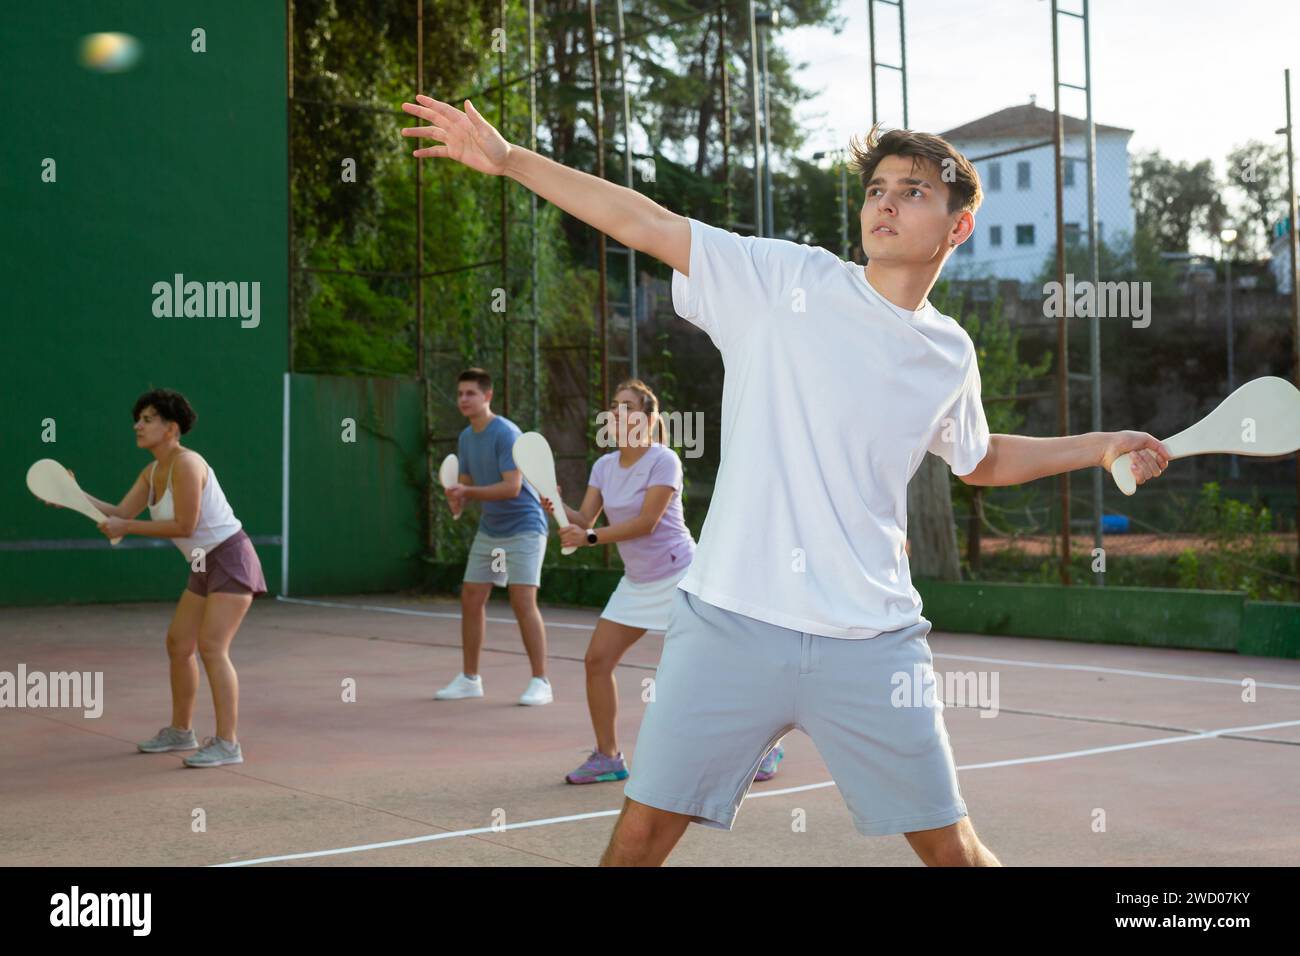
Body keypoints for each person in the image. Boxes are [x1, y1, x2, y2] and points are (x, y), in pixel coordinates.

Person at [400, 97, 1170, 866]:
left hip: (871, 641)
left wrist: (1101, 446)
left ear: (958, 225)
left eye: (913, 191)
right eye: (876, 190)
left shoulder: (948, 352)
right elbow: (645, 222)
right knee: (637, 839)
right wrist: (509, 161)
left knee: (955, 852)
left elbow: (979, 459)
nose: (887, 203)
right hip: (728, 623)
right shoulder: (782, 279)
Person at [543, 379, 787, 785]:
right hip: (637, 582)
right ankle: (608, 758)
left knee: (718, 667)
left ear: (648, 418)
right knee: (597, 661)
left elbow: (646, 522)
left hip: (680, 576)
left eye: (627, 406)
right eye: (614, 406)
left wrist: (587, 538)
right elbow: (584, 521)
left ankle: (769, 746)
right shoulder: (604, 466)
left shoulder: (664, 461)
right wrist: (554, 502)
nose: (617, 413)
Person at [78, 388, 266, 767]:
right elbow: (118, 511)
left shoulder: (188, 464)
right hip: (200, 562)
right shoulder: (152, 471)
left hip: (230, 556)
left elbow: (185, 524)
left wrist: (126, 526)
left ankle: (228, 743)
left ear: (172, 428)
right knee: (179, 644)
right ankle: (181, 731)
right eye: (138, 419)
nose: (138, 426)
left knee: (212, 647)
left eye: (148, 419)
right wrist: (72, 493)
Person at [435, 368, 553, 706]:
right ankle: (470, 679)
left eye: (470, 393)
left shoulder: (506, 433)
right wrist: (459, 495)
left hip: (526, 526)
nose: (463, 400)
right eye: (460, 394)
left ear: (488, 396)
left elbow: (512, 487)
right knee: (471, 596)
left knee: (522, 600)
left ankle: (541, 681)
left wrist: (468, 490)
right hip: (492, 528)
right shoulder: (466, 438)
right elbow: (470, 480)